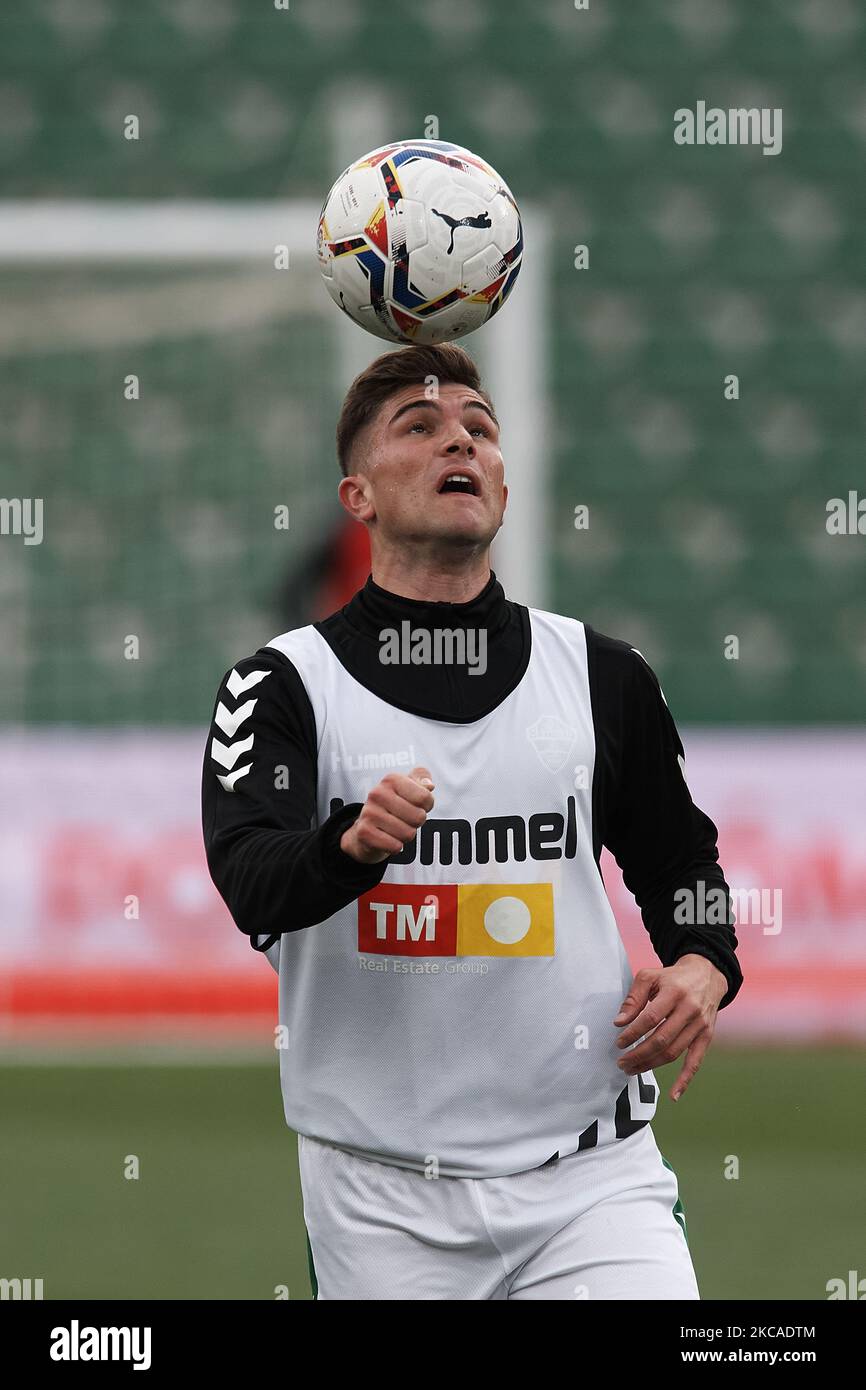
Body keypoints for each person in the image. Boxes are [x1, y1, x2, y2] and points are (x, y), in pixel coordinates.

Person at [202, 343, 742, 1300]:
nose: (461, 437)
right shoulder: (281, 685)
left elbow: (680, 857)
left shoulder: (603, 674)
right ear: (357, 496)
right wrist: (349, 845)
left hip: (592, 1180)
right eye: (421, 426)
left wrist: (705, 958)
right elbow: (251, 882)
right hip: (379, 1201)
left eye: (480, 429)